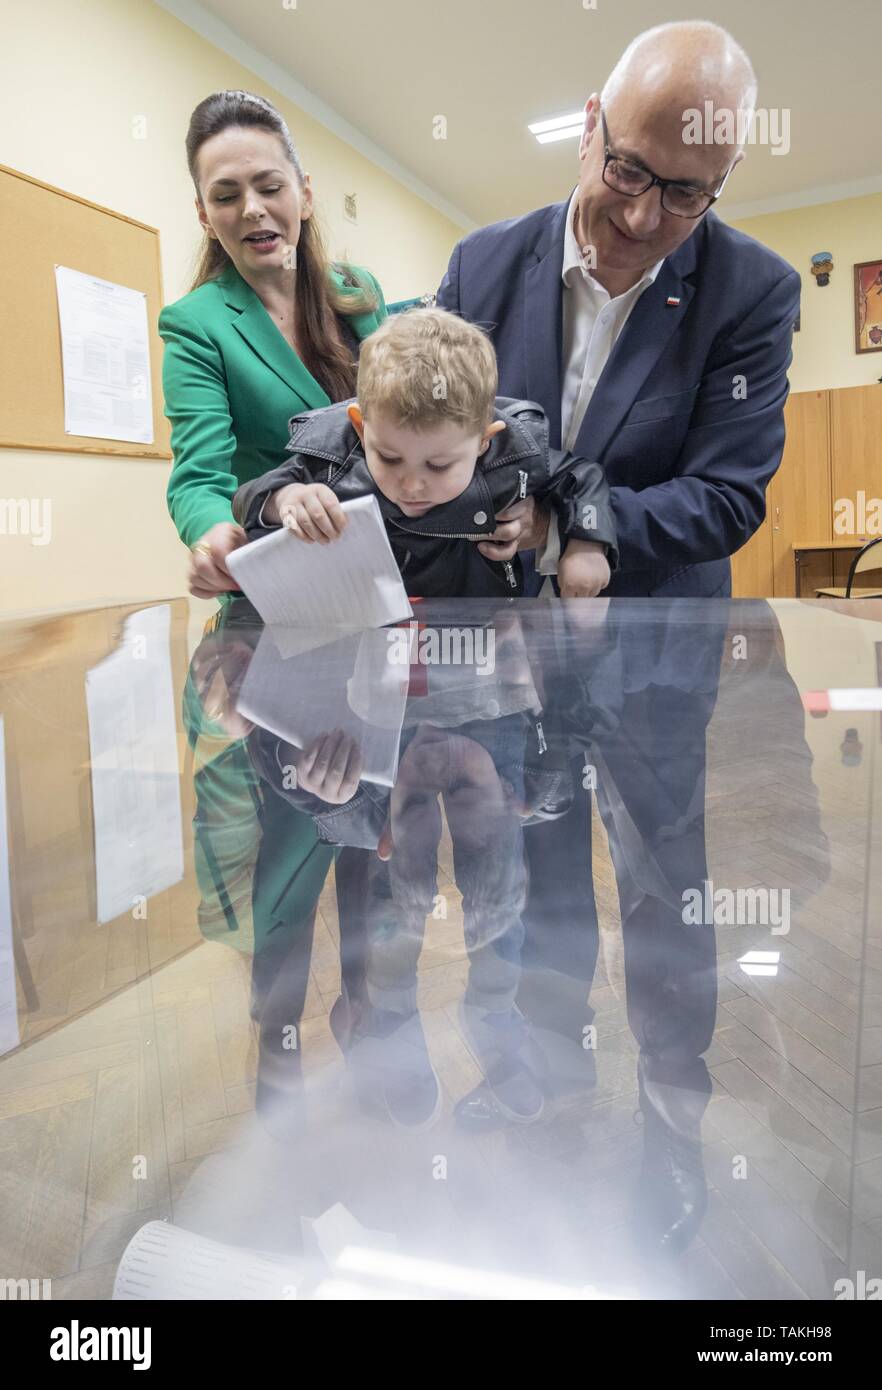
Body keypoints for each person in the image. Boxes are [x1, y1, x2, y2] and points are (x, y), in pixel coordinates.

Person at [435, 20, 801, 599]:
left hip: (656, 645)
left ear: (725, 177)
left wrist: (564, 523)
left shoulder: (753, 292)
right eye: (627, 170)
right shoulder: (478, 265)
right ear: (588, 128)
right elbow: (429, 431)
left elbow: (724, 497)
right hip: (496, 625)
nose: (641, 219)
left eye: (685, 195)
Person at [158, 88, 387, 599]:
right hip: (280, 587)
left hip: (385, 566)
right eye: (226, 196)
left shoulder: (359, 291)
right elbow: (198, 478)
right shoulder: (194, 324)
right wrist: (213, 537)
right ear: (204, 216)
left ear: (304, 195)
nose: (252, 209)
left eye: (269, 187)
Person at [232, 306, 618, 597]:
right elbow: (248, 498)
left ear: (485, 440)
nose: (412, 485)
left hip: (478, 630)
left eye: (439, 465)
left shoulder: (513, 453)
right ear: (360, 427)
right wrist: (285, 498)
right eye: (388, 457)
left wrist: (587, 544)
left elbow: (582, 475)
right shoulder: (332, 457)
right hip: (366, 633)